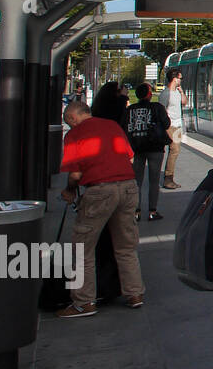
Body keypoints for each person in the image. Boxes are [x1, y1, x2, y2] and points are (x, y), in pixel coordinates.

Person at [56, 101, 146, 317]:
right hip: (128, 187)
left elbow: (75, 175)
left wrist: (69, 191)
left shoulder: (74, 135)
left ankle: (84, 302)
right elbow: (130, 156)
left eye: (68, 122)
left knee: (82, 248)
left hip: (99, 191)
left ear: (72, 118)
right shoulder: (112, 126)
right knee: (126, 245)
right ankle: (134, 294)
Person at [126, 83, 171, 221]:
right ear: (149, 94)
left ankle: (136, 211)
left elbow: (124, 127)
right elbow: (167, 124)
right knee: (154, 180)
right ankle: (152, 211)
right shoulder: (157, 108)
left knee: (137, 181)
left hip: (137, 148)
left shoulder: (130, 109)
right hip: (155, 148)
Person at [158, 69, 187, 189]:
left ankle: (169, 177)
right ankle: (168, 178)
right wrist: (165, 125)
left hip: (178, 126)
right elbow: (161, 110)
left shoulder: (177, 92)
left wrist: (182, 92)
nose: (181, 80)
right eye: (180, 78)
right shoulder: (166, 94)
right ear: (175, 79)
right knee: (173, 150)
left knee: (175, 151)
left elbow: (184, 103)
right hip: (170, 126)